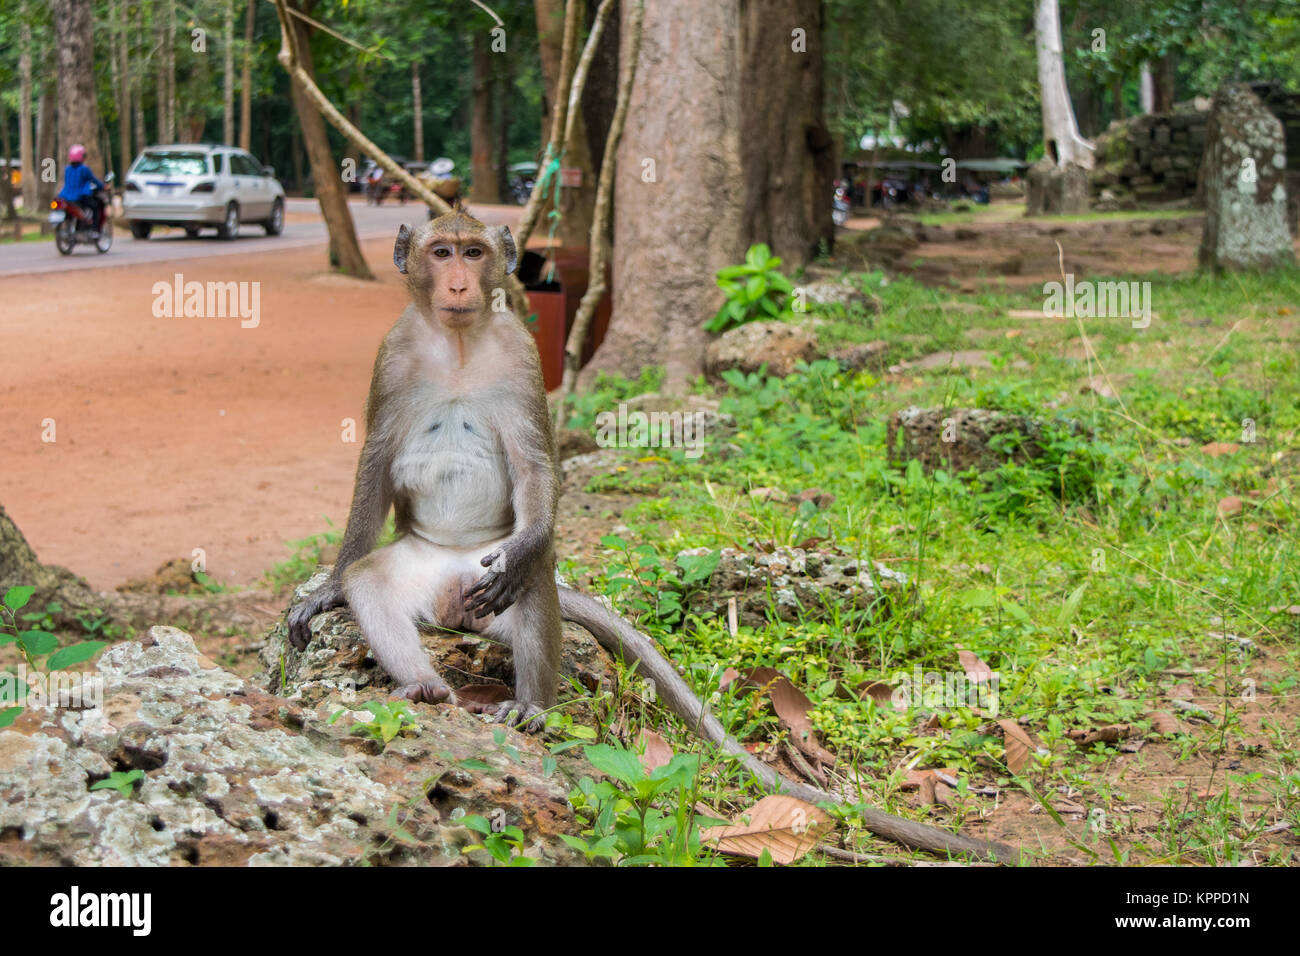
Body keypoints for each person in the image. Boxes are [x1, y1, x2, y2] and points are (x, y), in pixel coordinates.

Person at [58, 144, 105, 236]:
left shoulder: (67, 169)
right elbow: (94, 180)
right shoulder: (84, 169)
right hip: (79, 197)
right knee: (95, 207)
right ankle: (95, 230)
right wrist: (103, 186)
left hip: (65, 197)